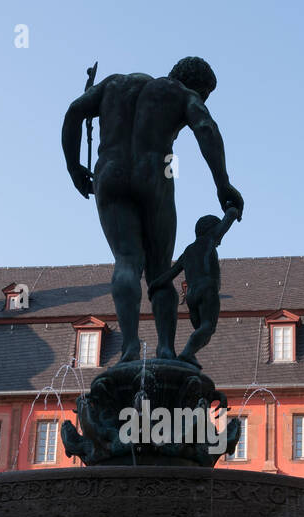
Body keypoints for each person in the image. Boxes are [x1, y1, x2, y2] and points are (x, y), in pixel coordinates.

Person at [62, 56, 244, 362]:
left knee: (127, 261)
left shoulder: (114, 84)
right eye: (205, 94)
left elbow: (73, 112)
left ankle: (130, 345)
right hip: (155, 174)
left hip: (111, 174)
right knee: (159, 270)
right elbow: (206, 128)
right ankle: (165, 350)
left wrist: (74, 166)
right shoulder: (179, 93)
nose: (203, 99)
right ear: (195, 85)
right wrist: (222, 184)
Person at [147, 207, 239, 366]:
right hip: (207, 289)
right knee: (208, 327)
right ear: (210, 229)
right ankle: (187, 353)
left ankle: (190, 354)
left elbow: (170, 274)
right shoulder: (210, 239)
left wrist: (153, 286)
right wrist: (234, 209)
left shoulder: (188, 251)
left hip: (191, 295)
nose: (220, 241)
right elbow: (228, 218)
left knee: (201, 329)